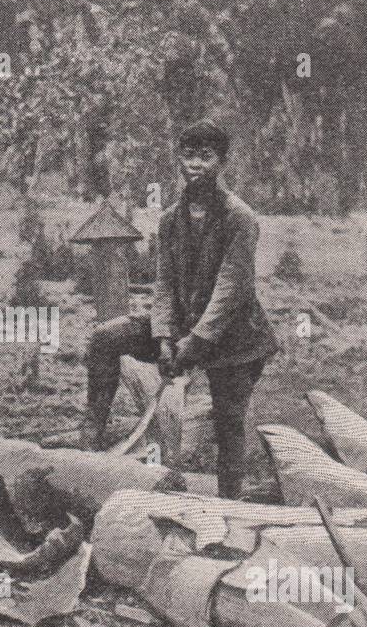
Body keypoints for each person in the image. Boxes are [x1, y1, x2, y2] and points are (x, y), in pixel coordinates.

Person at [78, 119, 279, 498]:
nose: (196, 165)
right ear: (178, 160)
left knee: (228, 422)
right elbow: (166, 283)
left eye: (206, 157)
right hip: (180, 327)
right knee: (106, 338)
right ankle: (88, 450)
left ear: (221, 162)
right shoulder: (170, 218)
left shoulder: (240, 217)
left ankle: (229, 504)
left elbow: (230, 288)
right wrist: (165, 337)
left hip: (234, 336)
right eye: (188, 156)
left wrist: (196, 342)